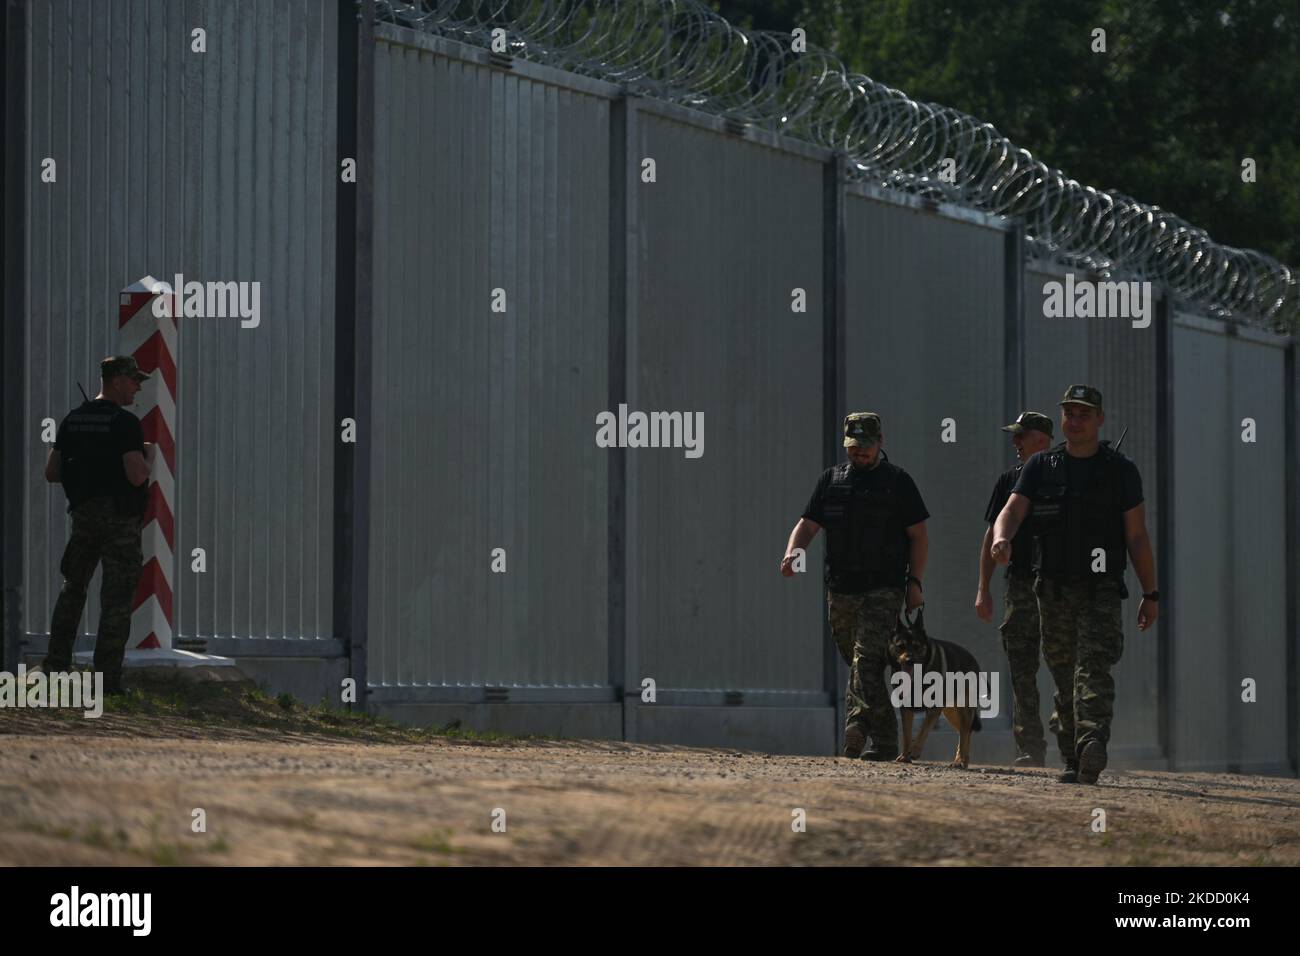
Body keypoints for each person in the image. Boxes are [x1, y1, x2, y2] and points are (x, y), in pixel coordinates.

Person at [991, 385, 1158, 784]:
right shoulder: (1041, 467)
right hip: (1051, 589)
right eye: (1069, 413)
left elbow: (1136, 536)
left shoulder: (1120, 471)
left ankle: (1092, 739)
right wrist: (1002, 537)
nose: (1075, 420)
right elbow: (1012, 511)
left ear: (1100, 419)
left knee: (1094, 666)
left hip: (1099, 589)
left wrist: (1150, 593)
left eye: (1084, 414)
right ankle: (1072, 754)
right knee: (1063, 672)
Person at [781, 412, 929, 760]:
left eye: (865, 446)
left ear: (880, 443)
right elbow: (808, 524)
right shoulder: (832, 480)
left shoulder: (897, 482)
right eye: (853, 447)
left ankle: (858, 726)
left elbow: (919, 535)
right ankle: (887, 741)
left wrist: (914, 582)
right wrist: (792, 552)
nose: (858, 453)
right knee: (862, 663)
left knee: (866, 660)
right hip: (840, 589)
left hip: (883, 588)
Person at [41, 355, 154, 694]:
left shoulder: (73, 420)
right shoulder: (125, 423)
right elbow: (136, 476)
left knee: (72, 590)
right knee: (117, 601)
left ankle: (55, 669)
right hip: (120, 522)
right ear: (117, 380)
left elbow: (51, 473)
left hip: (84, 519)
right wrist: (149, 457)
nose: (137, 387)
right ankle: (106, 683)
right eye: (134, 380)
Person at [975, 411, 1054, 768]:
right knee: (1021, 664)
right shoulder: (1008, 480)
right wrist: (984, 588)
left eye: (1021, 436)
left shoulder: (1063, 475)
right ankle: (1030, 746)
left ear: (1041, 440)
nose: (1014, 443)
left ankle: (1069, 732)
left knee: (1065, 659)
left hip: (1059, 584)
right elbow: (992, 535)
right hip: (1020, 584)